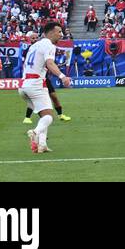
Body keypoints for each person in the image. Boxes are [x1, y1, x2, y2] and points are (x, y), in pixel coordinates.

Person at [21, 22, 71, 154]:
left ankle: (42, 145)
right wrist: (62, 76)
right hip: (36, 84)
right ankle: (35, 132)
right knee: (49, 117)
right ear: (50, 32)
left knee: (44, 115)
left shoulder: (34, 45)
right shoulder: (49, 45)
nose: (61, 35)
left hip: (24, 85)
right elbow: (49, 63)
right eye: (59, 32)